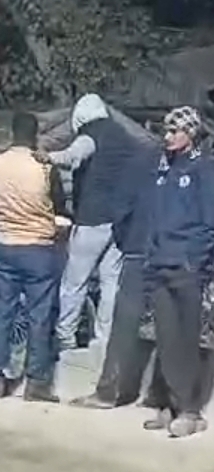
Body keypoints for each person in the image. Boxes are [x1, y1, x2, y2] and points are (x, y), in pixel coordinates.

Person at [36, 94, 133, 351]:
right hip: (121, 220)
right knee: (110, 281)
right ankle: (104, 340)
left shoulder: (92, 133)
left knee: (74, 281)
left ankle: (65, 336)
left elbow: (74, 154)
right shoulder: (124, 136)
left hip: (92, 218)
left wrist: (49, 157)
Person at [140, 106, 214, 437]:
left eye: (174, 130)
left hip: (187, 267)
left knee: (187, 340)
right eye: (165, 130)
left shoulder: (203, 169)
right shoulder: (162, 169)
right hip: (158, 265)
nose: (167, 136)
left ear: (191, 134)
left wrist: (193, 260)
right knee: (166, 340)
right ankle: (169, 405)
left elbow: (209, 223)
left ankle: (190, 410)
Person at [0, 112, 67, 402]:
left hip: (4, 244)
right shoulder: (43, 167)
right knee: (40, 316)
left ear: (12, 132)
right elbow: (59, 203)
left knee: (1, 312)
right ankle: (36, 383)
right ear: (35, 134)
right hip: (38, 248)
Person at [70, 143, 158, 409]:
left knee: (125, 323)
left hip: (139, 250)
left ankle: (109, 391)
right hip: (175, 253)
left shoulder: (142, 160)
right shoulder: (197, 163)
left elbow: (120, 206)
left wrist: (126, 240)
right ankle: (163, 396)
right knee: (174, 325)